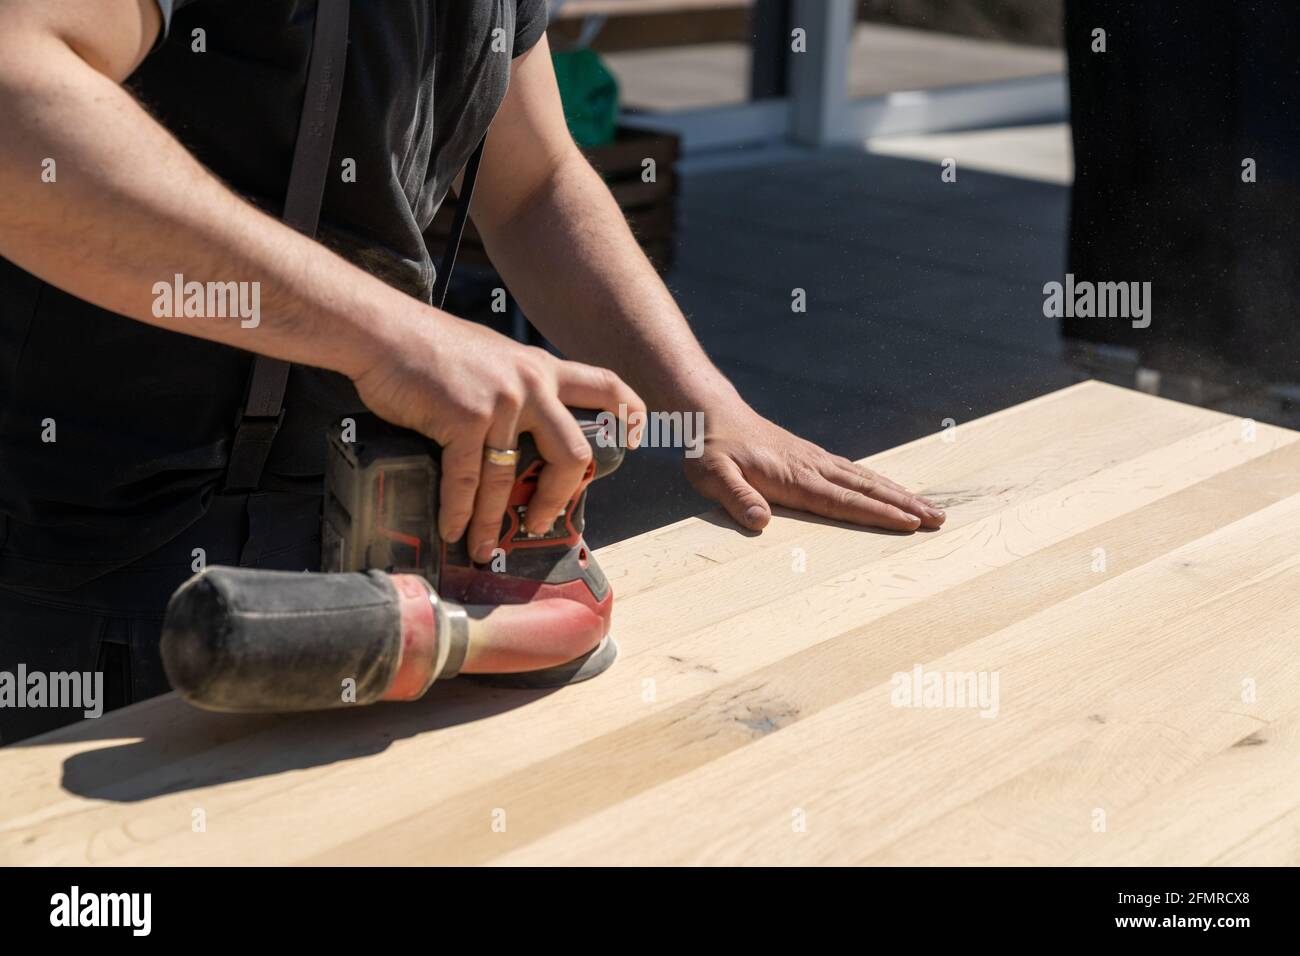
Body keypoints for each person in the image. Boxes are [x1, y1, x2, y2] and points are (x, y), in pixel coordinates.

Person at [0, 0, 944, 743]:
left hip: (336, 535)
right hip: (76, 553)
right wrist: (394, 337)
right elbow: (14, 102)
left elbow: (532, 182)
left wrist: (702, 408)